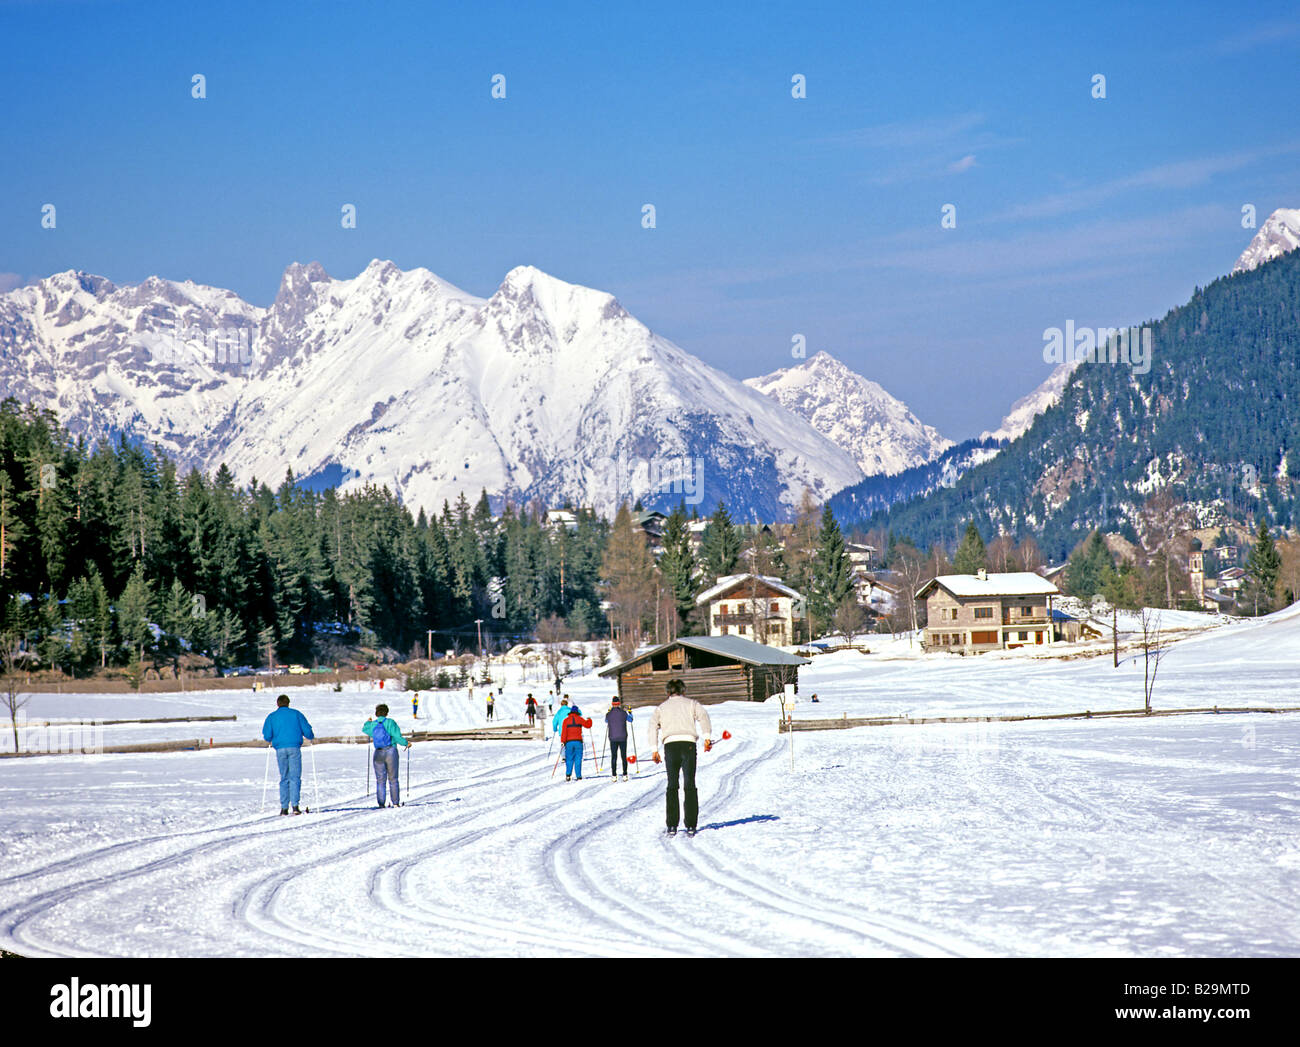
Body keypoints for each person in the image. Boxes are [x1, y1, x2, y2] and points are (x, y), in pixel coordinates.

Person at [648, 678, 712, 837]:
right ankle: (690, 824)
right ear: (683, 690)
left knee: (672, 785)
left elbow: (652, 727)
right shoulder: (692, 704)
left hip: (670, 747)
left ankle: (672, 825)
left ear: (668, 692)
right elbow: (703, 716)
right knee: (689, 784)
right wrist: (707, 737)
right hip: (688, 745)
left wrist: (654, 749)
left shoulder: (661, 708)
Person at [262, 694, 315, 815]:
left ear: (278, 704)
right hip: (294, 747)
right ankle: (295, 806)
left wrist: (271, 738)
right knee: (295, 777)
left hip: (280, 749)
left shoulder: (272, 717)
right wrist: (310, 736)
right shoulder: (296, 714)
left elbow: (267, 735)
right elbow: (307, 730)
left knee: (284, 777)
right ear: (288, 703)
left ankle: (284, 807)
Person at [363, 703, 411, 808]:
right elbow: (397, 736)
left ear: (376, 713)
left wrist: (368, 722)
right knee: (393, 778)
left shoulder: (373, 724)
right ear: (386, 712)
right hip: (390, 751)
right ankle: (395, 803)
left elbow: (365, 729)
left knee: (380, 779)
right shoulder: (390, 722)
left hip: (378, 752)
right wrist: (406, 743)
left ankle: (381, 803)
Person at [560, 704, 593, 781]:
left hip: (569, 742)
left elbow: (564, 732)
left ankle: (568, 775)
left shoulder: (566, 720)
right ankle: (578, 776)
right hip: (578, 742)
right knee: (578, 759)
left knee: (569, 759)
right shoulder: (579, 719)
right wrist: (589, 720)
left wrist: (563, 741)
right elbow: (588, 725)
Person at [604, 696, 634, 781]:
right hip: (622, 737)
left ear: (612, 704)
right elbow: (631, 720)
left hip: (613, 738)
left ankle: (614, 775)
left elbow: (606, 721)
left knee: (614, 756)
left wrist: (609, 712)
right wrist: (630, 712)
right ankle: (625, 774)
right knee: (623, 756)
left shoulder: (609, 714)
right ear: (619, 703)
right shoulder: (623, 713)